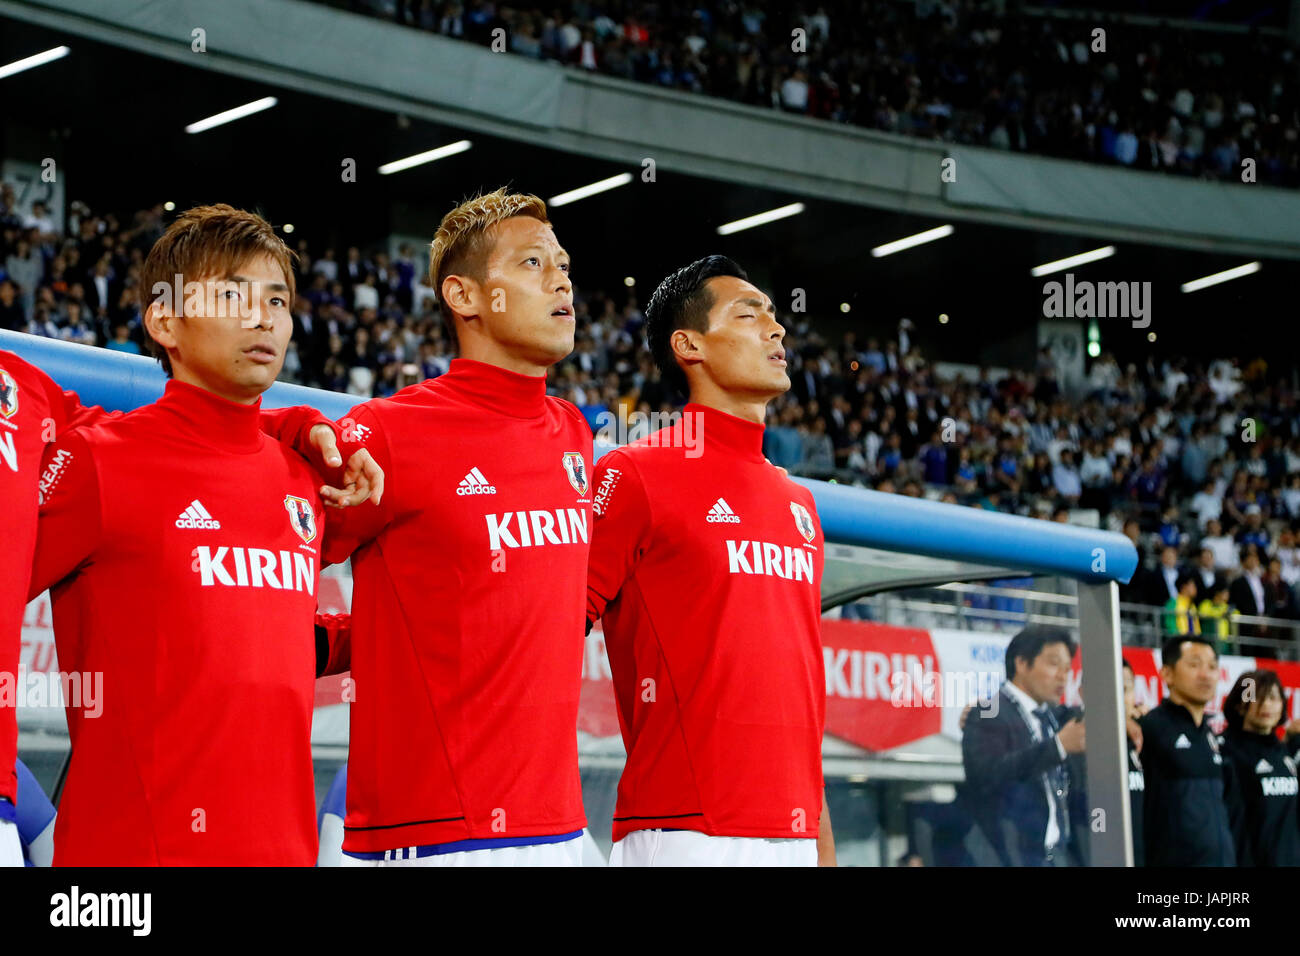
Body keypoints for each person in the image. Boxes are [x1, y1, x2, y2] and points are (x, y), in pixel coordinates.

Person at [23, 204, 375, 865]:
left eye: (277, 299)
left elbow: (270, 638)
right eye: (235, 294)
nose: (263, 315)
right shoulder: (99, 462)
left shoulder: (304, 476)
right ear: (164, 319)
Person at [325, 188, 592, 866]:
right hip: (435, 837)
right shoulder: (387, 433)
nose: (561, 278)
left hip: (560, 828)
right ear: (465, 297)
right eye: (533, 263)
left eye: (562, 262)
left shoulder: (572, 432)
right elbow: (262, 544)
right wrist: (332, 643)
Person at [585, 255, 832, 867]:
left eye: (775, 317)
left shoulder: (799, 503)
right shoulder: (633, 473)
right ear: (688, 345)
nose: (776, 330)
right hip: (683, 832)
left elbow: (800, 699)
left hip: (794, 832)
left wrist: (824, 849)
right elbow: (545, 633)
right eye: (750, 315)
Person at [962, 625, 1085, 866]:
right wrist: (1057, 747)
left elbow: (1090, 715)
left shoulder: (1052, 715)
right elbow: (986, 774)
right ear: (1021, 663)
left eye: (1068, 668)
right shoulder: (988, 710)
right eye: (1053, 663)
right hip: (1011, 855)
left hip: (1057, 856)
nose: (1063, 676)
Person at [1138, 636, 1237, 867]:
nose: (1206, 674)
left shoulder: (1214, 737)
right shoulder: (1149, 729)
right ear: (1167, 674)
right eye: (1194, 665)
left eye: (1212, 666)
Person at [1220, 669, 1300, 866]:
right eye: (1257, 698)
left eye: (1273, 697)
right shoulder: (1225, 751)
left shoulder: (1284, 751)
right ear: (1239, 705)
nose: (1266, 705)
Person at [1122, 659, 1146, 866]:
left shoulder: (1147, 735)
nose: (1119, 694)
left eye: (1126, 688)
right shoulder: (1078, 738)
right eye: (1110, 685)